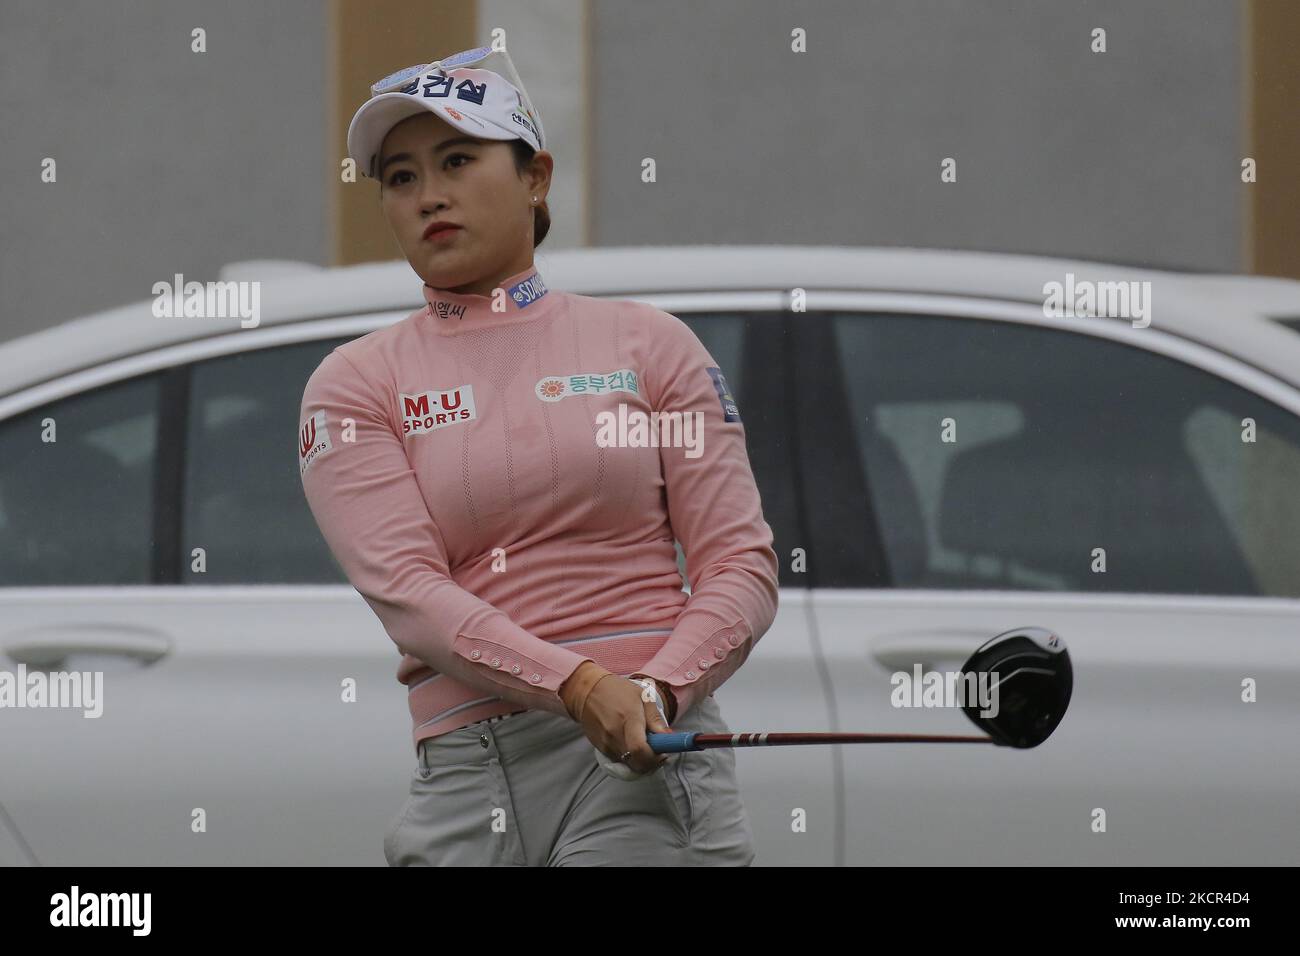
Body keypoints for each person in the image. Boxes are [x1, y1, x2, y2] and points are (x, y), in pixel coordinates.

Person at [298, 44, 779, 866]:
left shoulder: (651, 346)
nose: (429, 195)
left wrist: (659, 689)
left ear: (535, 177)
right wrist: (578, 684)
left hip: (642, 762)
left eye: (457, 159)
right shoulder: (352, 385)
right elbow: (411, 595)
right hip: (463, 778)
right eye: (402, 177)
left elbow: (740, 562)